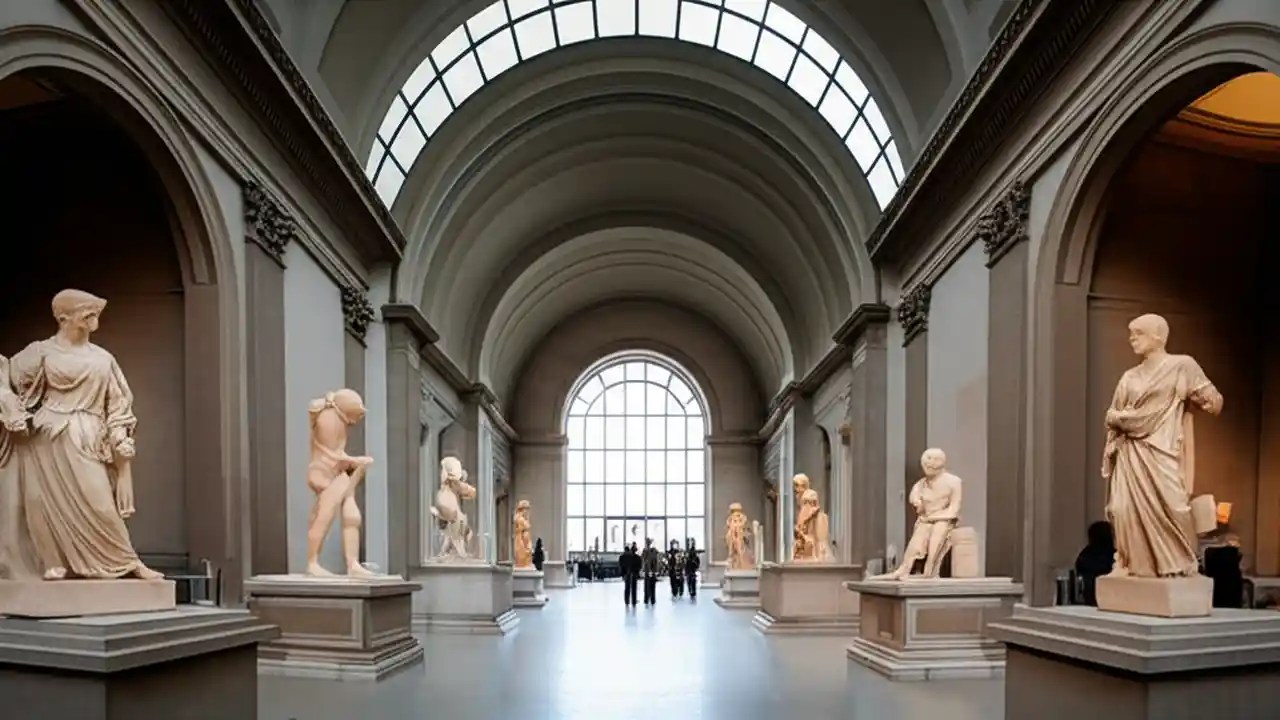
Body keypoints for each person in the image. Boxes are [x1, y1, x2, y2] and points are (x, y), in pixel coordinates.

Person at [1074, 521, 1114, 606]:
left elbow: (1079, 574)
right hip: (1111, 597)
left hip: (1089, 596)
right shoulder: (1114, 555)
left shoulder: (1085, 554)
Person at [641, 538, 660, 605]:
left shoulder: (647, 550)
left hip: (649, 571)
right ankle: (651, 599)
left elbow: (643, 559)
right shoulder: (649, 551)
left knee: (648, 586)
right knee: (650, 586)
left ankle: (648, 599)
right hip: (650, 571)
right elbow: (643, 559)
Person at [620, 543, 639, 607]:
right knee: (633, 588)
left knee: (627, 588)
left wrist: (623, 575)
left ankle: (627, 601)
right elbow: (636, 565)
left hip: (626, 574)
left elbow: (621, 566)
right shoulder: (632, 556)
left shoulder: (622, 557)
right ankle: (633, 601)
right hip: (632, 574)